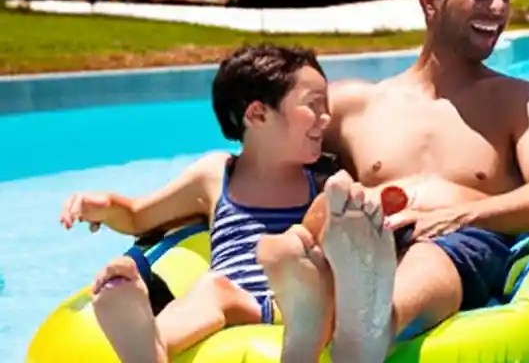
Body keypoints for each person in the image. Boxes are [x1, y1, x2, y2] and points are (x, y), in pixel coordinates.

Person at [255, 0, 529, 363]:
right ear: (431, 0)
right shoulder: (354, 105)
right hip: (367, 240)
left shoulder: (519, 102)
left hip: (458, 246)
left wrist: (460, 215)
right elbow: (260, 150)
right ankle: (319, 304)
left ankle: (375, 322)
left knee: (430, 256)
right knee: (328, 212)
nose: (498, 7)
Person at [58, 44, 331, 363]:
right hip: (232, 298)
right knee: (212, 288)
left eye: (327, 105)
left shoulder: (323, 185)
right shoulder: (216, 174)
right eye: (313, 105)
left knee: (225, 286)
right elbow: (138, 216)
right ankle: (147, 348)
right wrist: (105, 206)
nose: (327, 118)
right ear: (258, 114)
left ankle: (149, 347)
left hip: (300, 307)